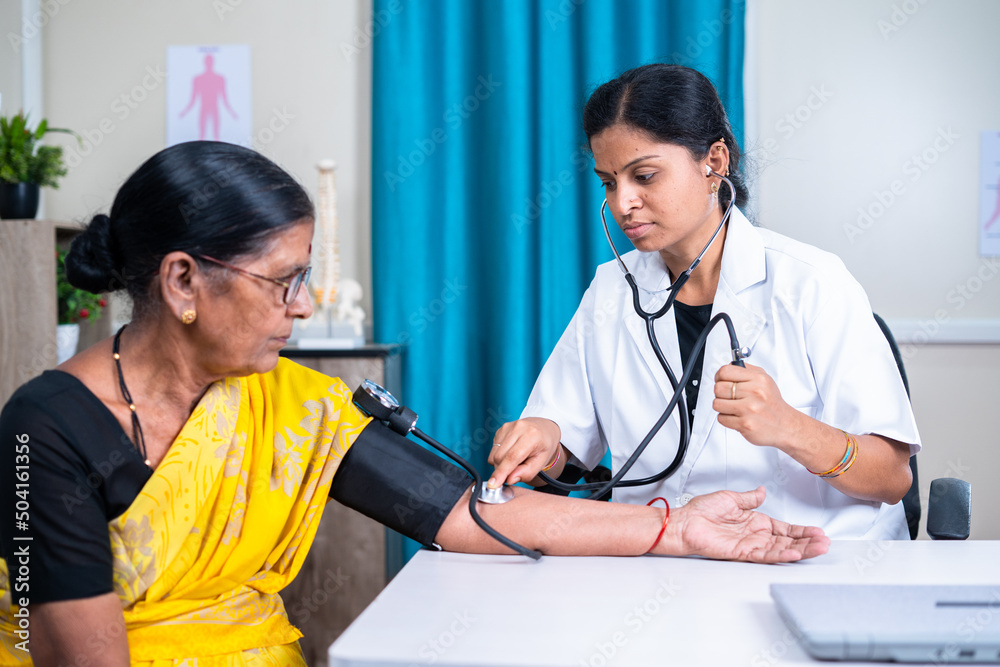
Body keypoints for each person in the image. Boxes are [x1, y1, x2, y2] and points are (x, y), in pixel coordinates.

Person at [0, 141, 828, 666]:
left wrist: (671, 528)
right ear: (183, 279)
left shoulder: (294, 406)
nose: (302, 304)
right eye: (284, 280)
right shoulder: (45, 429)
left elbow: (468, 513)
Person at [489, 64, 920, 541]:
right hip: (662, 558)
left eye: (644, 176)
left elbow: (892, 477)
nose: (622, 203)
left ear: (714, 162)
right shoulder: (613, 289)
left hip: (811, 561)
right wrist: (544, 443)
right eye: (609, 182)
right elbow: (564, 450)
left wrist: (790, 427)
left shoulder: (813, 283)